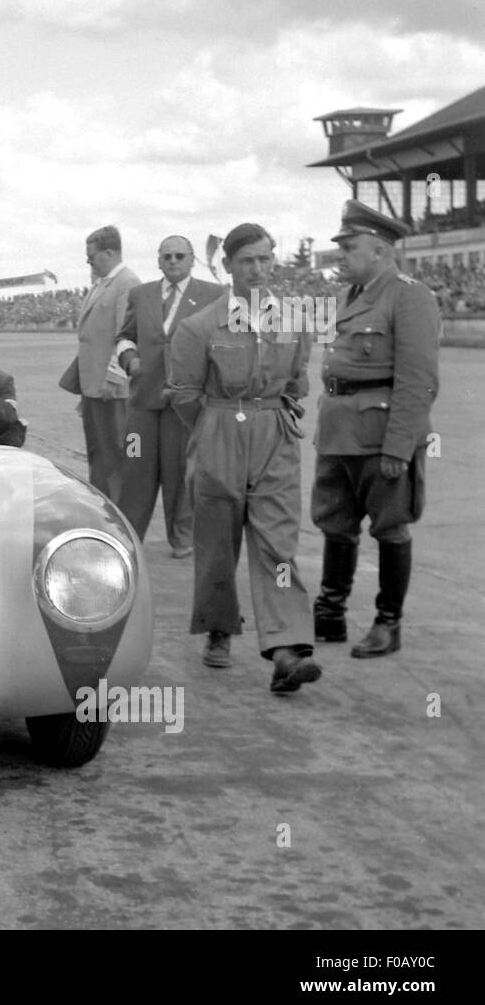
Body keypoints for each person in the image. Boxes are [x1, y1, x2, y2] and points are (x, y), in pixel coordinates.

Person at [165, 223, 322, 694]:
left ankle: (287, 649)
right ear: (229, 266)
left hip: (274, 434)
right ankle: (218, 628)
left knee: (278, 542)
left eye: (266, 258)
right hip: (217, 431)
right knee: (217, 541)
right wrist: (215, 429)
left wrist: (270, 418)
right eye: (248, 260)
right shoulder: (199, 327)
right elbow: (183, 393)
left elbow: (297, 383)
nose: (258, 268)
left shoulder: (294, 320)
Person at [311, 200, 440, 658]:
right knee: (336, 523)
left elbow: (417, 379)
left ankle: (389, 623)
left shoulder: (408, 296)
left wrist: (399, 446)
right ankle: (330, 612)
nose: (341, 255)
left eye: (349, 247)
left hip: (380, 434)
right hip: (339, 431)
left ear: (381, 250)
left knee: (391, 527)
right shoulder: (352, 295)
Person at [115, 235, 223, 555]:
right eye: (167, 257)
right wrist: (130, 361)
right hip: (143, 402)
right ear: (158, 261)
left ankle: (182, 538)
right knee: (135, 470)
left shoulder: (214, 294)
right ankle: (129, 538)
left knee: (181, 473)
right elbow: (124, 337)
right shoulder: (140, 294)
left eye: (179, 256)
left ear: (192, 260)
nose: (173, 261)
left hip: (186, 403)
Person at [63, 226, 140, 501]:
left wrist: (114, 377)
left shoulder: (127, 283)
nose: (89, 261)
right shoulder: (101, 283)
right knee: (98, 453)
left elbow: (128, 334)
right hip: (93, 387)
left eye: (92, 255)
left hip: (111, 389)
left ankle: (121, 512)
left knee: (117, 455)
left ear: (109, 252)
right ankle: (100, 504)